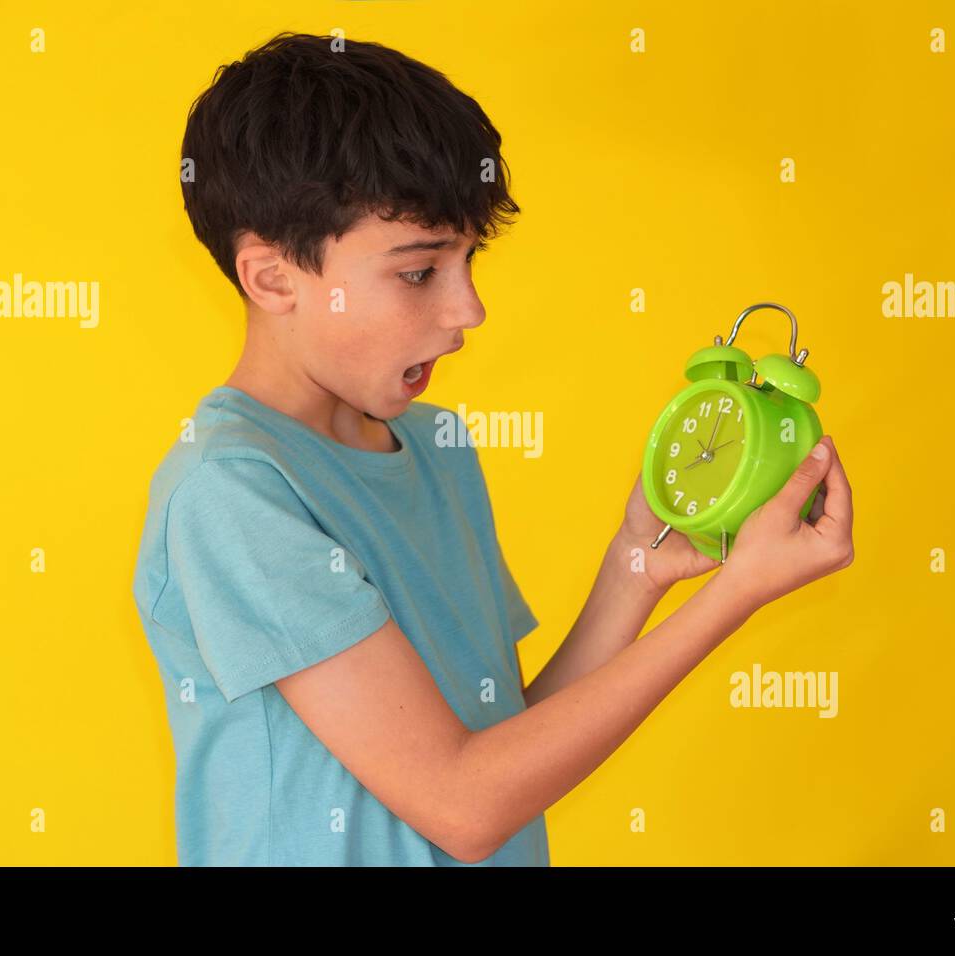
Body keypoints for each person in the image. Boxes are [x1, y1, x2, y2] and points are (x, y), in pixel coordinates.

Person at [131, 31, 854, 866]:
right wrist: (736, 598)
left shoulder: (435, 445)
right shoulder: (234, 492)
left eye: (470, 260)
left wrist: (637, 564)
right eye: (418, 272)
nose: (468, 310)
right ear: (273, 279)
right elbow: (463, 805)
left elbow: (502, 746)